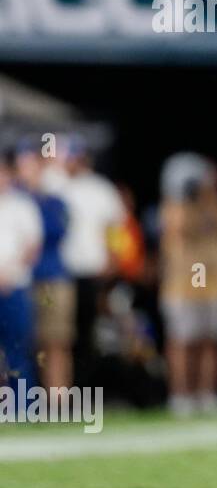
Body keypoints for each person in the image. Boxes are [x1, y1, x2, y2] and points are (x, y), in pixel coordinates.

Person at [41, 138, 125, 382]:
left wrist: (113, 259)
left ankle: (85, 388)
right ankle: (62, 393)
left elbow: (115, 228)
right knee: (62, 335)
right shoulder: (58, 185)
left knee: (89, 332)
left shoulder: (100, 188)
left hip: (93, 270)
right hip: (63, 271)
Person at [159, 163, 217, 416]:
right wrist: (188, 197)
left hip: (215, 286)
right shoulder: (174, 208)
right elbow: (180, 228)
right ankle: (180, 396)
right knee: (182, 342)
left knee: (211, 342)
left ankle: (207, 394)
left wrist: (208, 198)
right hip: (182, 285)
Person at [12, 142, 74, 395]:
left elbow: (56, 231)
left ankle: (58, 401)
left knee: (55, 342)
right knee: (20, 344)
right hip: (19, 280)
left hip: (51, 279)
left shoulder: (53, 200)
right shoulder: (13, 200)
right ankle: (23, 403)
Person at [0, 152, 42, 389]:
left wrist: (7, 274)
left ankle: (23, 407)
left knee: (17, 348)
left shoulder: (22, 205)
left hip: (14, 287)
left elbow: (32, 246)